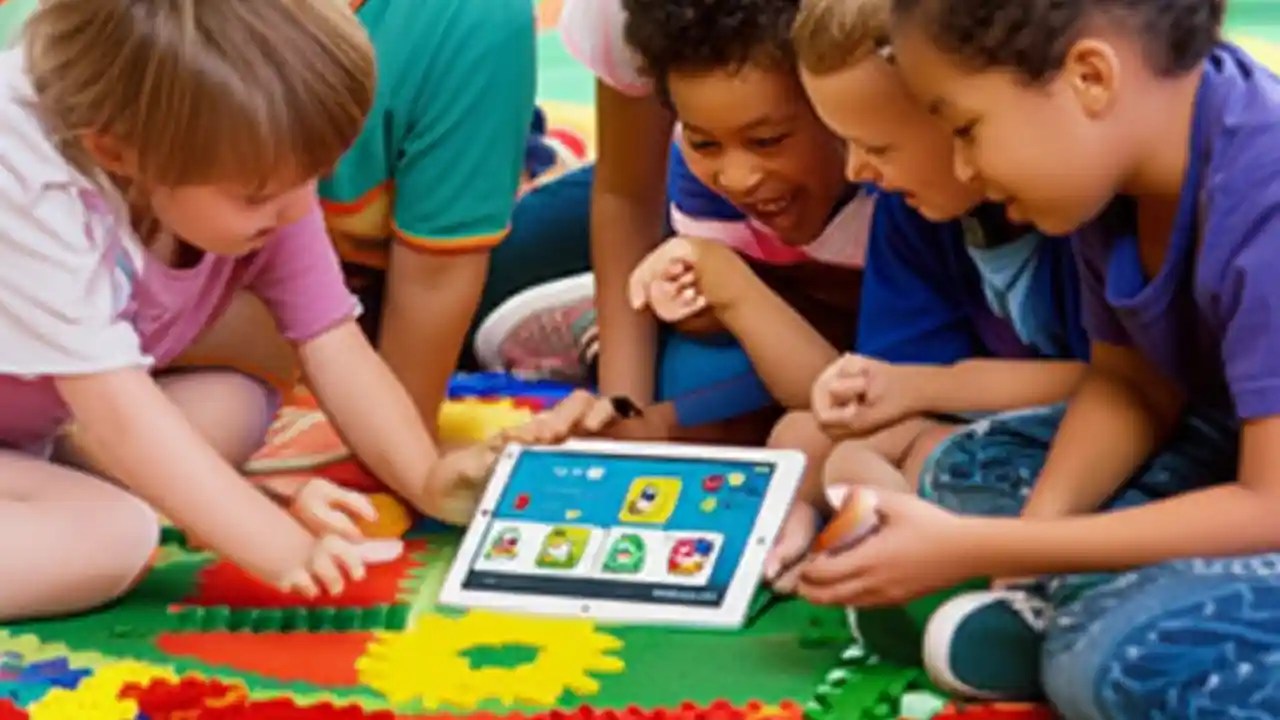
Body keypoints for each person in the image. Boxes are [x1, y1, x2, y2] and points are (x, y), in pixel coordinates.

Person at [0, 0, 614, 623]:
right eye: (259, 195)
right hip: (60, 419)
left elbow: (331, 337)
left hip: (34, 427)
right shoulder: (25, 182)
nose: (300, 212)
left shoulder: (227, 143)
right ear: (118, 153)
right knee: (112, 536)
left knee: (231, 407)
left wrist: (426, 478)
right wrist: (281, 546)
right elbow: (119, 417)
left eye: (314, 178)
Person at [795, 0, 1280, 716]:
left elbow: (1268, 506)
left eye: (965, 128)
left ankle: (1093, 609)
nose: (962, 164)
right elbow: (1131, 386)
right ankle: (1065, 593)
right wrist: (1022, 551)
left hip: (1265, 496)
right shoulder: (1113, 176)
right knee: (968, 469)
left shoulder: (1263, 197)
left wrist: (976, 548)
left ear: (1089, 76)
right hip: (1234, 450)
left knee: (1116, 663)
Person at [628, 0, 1090, 591]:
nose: (856, 171)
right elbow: (876, 389)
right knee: (803, 439)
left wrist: (922, 392)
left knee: (906, 457)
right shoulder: (914, 209)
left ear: (946, 115)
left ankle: (919, 559)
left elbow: (1125, 390)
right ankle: (833, 540)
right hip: (997, 422)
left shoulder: (1077, 206)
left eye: (876, 146)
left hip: (1098, 450)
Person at [477, 0, 870, 445]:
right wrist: (625, 409)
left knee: (721, 395)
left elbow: (860, 394)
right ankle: (630, 313)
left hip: (822, 264)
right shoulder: (708, 170)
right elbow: (625, 193)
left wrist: (732, 290)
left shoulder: (893, 175)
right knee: (495, 255)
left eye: (767, 140)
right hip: (734, 239)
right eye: (701, 142)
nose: (738, 176)